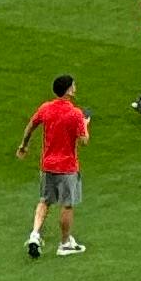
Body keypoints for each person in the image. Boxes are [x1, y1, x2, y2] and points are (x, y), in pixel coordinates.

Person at [17, 73, 88, 257]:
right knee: (67, 205)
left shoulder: (46, 108)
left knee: (44, 201)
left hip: (48, 164)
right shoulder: (75, 114)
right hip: (67, 167)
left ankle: (34, 234)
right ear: (69, 90)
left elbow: (31, 126)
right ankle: (64, 244)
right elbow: (84, 141)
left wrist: (23, 145)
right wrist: (86, 124)